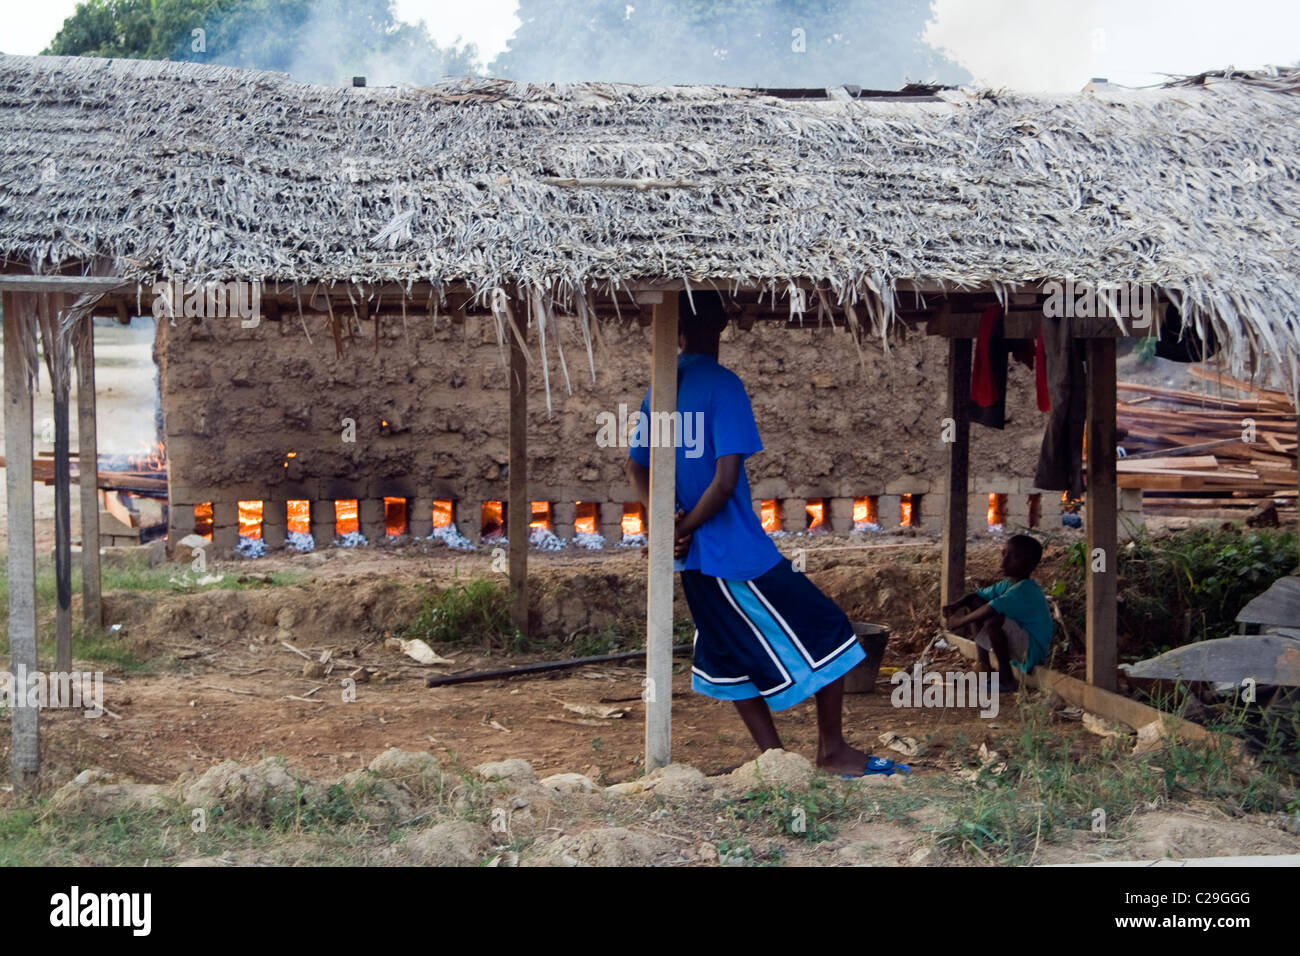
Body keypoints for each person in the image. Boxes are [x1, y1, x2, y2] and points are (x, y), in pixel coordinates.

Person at [625, 291, 876, 775]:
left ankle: (774, 760)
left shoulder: (659, 389)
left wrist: (667, 524)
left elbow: (637, 468)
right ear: (720, 323)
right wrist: (684, 526)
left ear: (677, 328)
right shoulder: (724, 386)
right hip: (734, 553)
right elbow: (724, 481)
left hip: (692, 556)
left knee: (726, 654)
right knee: (830, 629)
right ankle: (831, 751)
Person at [943, 534, 1052, 691]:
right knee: (975, 603)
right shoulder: (1008, 584)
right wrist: (956, 605)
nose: (1005, 560)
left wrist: (959, 622)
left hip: (1031, 652)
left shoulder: (1025, 589)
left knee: (994, 621)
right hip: (1019, 644)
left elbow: (991, 608)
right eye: (1004, 554)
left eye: (1014, 557)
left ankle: (1007, 679)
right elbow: (977, 596)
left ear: (1030, 564)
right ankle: (984, 667)